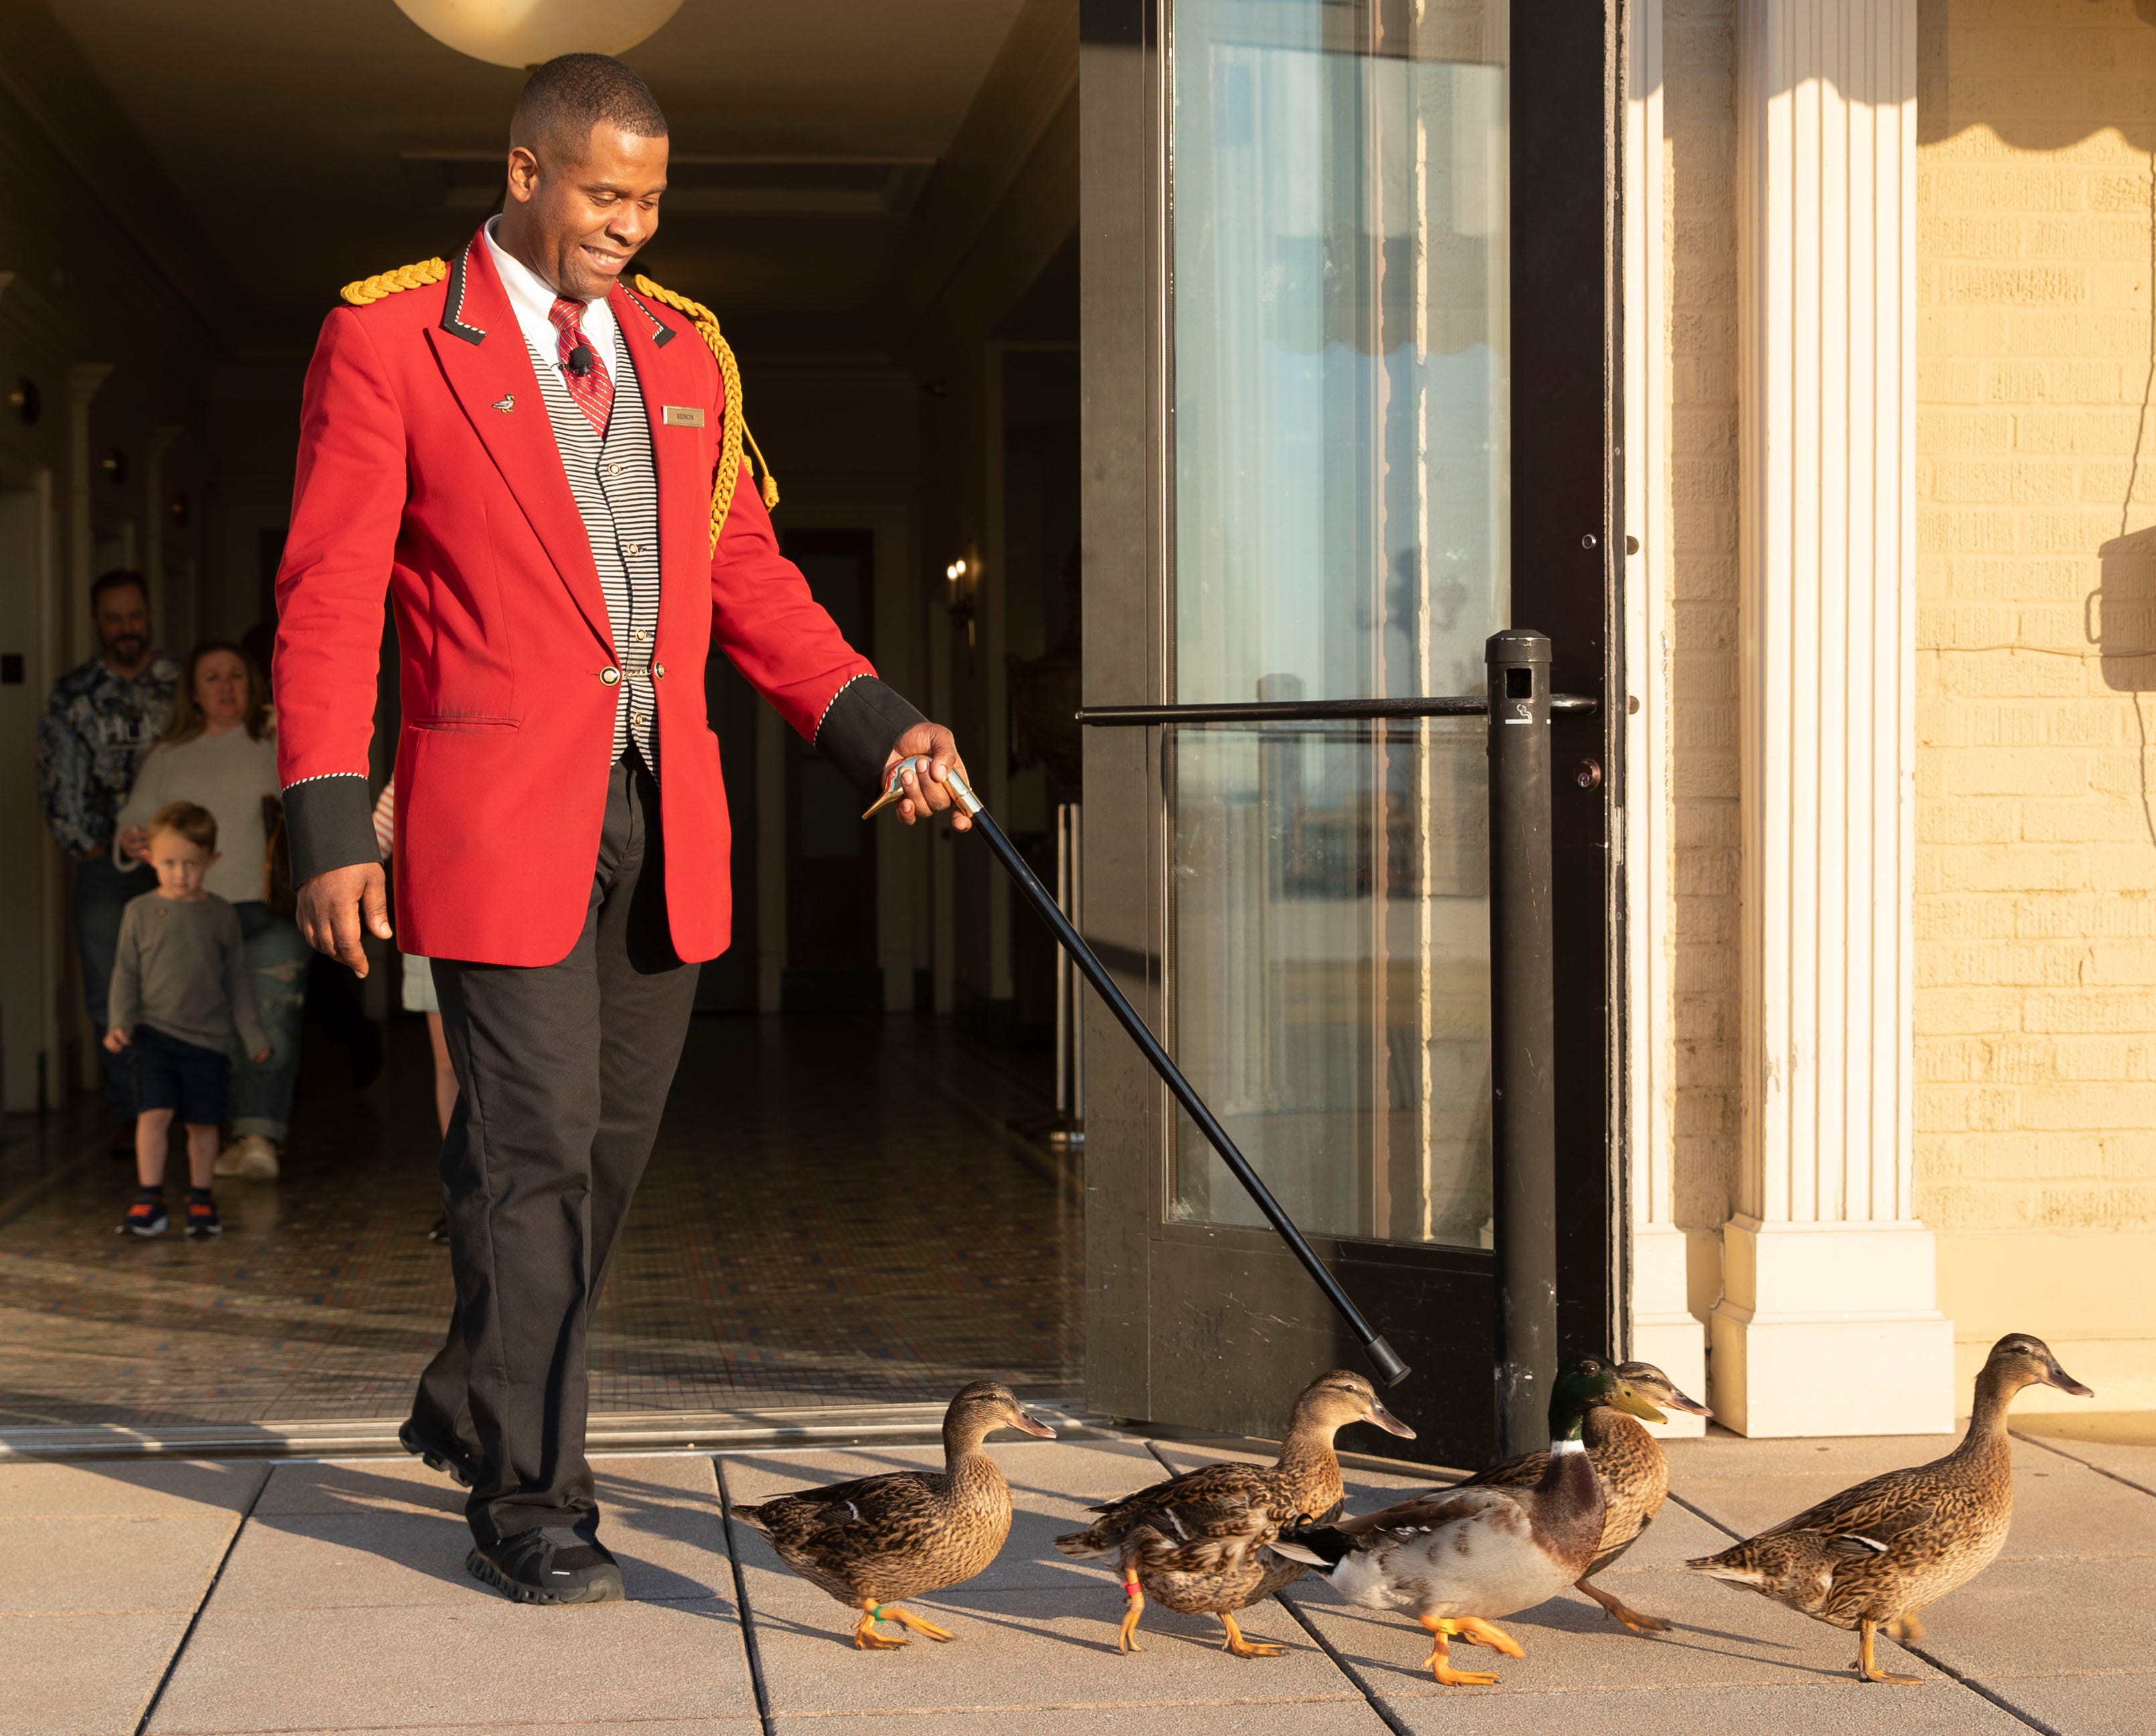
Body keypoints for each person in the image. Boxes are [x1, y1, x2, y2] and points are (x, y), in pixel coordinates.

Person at [274, 54, 970, 1605]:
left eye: (652, 199)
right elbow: (327, 593)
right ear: (523, 174)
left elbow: (748, 580)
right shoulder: (389, 338)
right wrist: (329, 817)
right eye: (606, 195)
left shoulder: (684, 350)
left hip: (667, 819)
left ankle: (469, 1390)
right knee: (529, 1164)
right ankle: (534, 1499)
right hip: (489, 814)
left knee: (592, 1157)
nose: (632, 227)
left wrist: (877, 721)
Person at [115, 643, 308, 1182]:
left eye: (237, 676)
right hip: (194, 917)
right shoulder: (170, 755)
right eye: (212, 677)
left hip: (271, 909)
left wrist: (293, 728)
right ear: (194, 692)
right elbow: (134, 821)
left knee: (273, 1021)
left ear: (254, 685)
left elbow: (313, 808)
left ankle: (259, 1136)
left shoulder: (277, 742)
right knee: (210, 1031)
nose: (226, 688)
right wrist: (133, 838)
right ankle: (218, 1135)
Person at [36, 571, 178, 1147]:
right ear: (98, 622)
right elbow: (55, 779)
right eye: (114, 618)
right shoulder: (73, 695)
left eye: (135, 616)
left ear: (149, 616)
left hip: (180, 862)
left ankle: (191, 1109)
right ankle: (134, 1111)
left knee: (183, 984)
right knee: (109, 989)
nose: (127, 629)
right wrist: (88, 846)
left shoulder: (179, 684)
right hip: (104, 867)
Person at [107, 802, 271, 1240]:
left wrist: (253, 1035)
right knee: (154, 1112)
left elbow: (237, 980)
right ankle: (150, 1196)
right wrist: (120, 1020)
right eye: (169, 863)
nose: (180, 874)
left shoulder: (221, 915)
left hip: (208, 1041)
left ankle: (201, 1195)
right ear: (149, 859)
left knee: (202, 1121)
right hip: (152, 1034)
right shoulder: (138, 912)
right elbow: (125, 971)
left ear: (212, 861)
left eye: (192, 865)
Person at [372, 775, 457, 1241]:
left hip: (498, 920)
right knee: (450, 1067)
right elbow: (371, 842)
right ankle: (461, 1193)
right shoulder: (411, 767)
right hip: (432, 922)